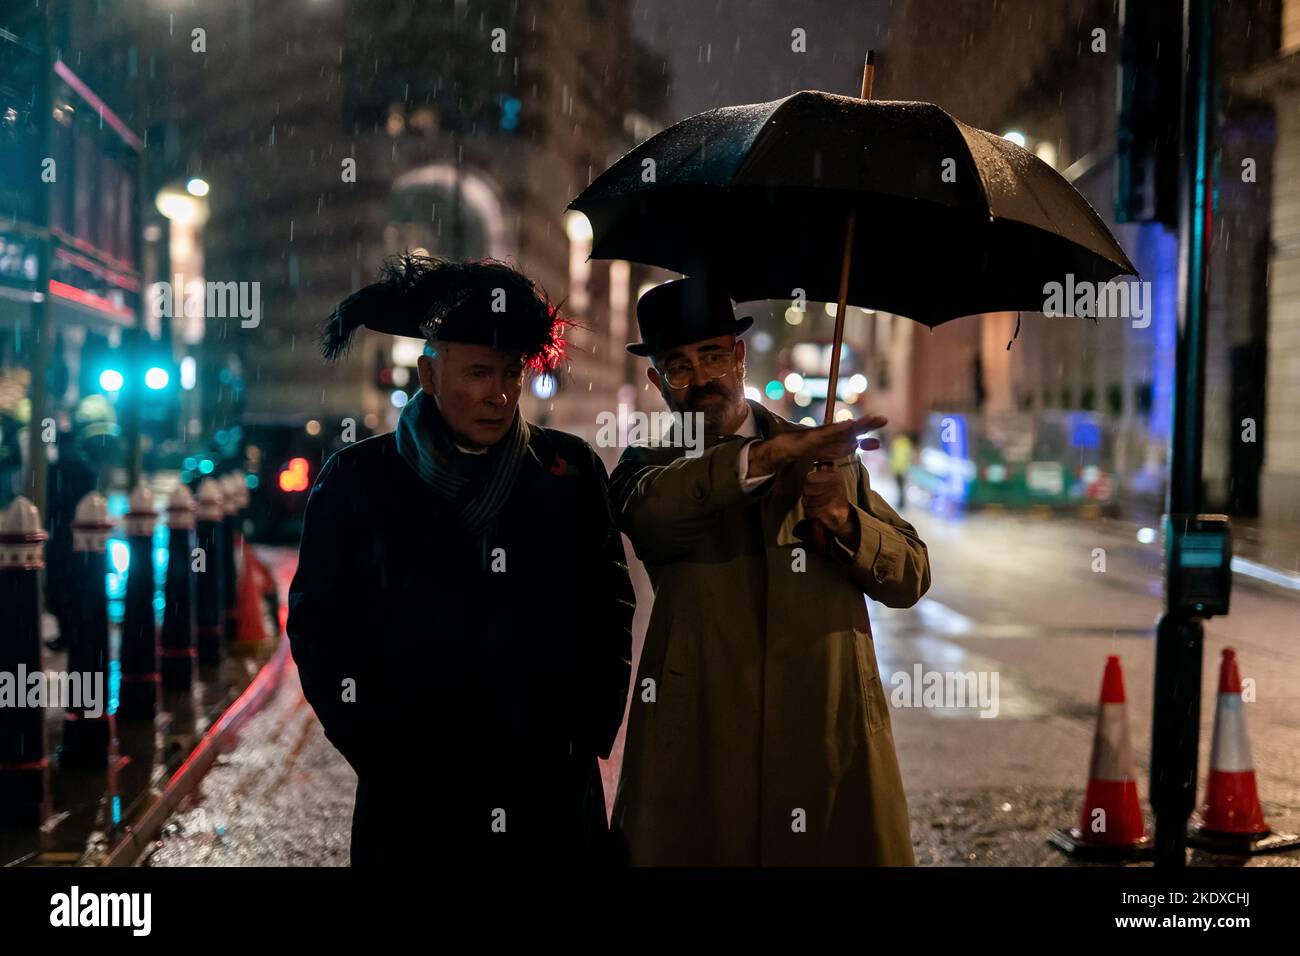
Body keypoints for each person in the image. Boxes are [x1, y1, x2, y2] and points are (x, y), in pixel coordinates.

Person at [287, 254, 635, 866]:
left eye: (511, 373)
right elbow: (321, 632)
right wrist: (381, 753)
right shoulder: (357, 481)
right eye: (478, 373)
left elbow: (609, 608)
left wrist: (581, 738)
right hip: (414, 800)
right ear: (429, 373)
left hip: (548, 792)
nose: (499, 395)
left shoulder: (570, 472)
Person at [609, 276, 930, 866]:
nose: (701, 378)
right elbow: (656, 515)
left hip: (828, 732)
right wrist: (773, 455)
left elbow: (909, 575)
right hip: (706, 740)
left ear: (738, 357)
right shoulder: (645, 465)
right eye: (678, 366)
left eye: (712, 356)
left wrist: (844, 520)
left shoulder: (827, 457)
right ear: (656, 382)